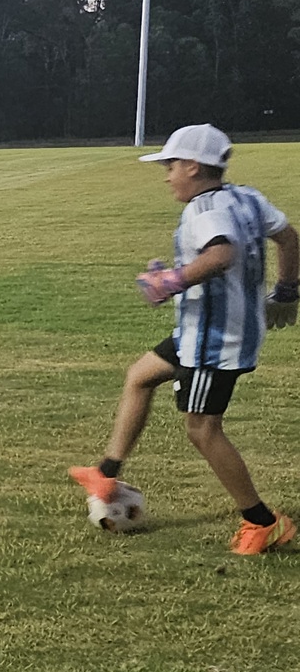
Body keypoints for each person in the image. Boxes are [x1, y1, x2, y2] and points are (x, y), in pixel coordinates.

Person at [70, 124, 300, 554]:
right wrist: (287, 291)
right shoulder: (247, 197)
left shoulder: (203, 210)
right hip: (204, 332)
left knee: (202, 429)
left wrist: (169, 282)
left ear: (193, 166)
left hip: (214, 341)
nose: (166, 175)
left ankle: (262, 522)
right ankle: (106, 470)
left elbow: (221, 253)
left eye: (171, 165)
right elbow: (287, 237)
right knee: (140, 376)